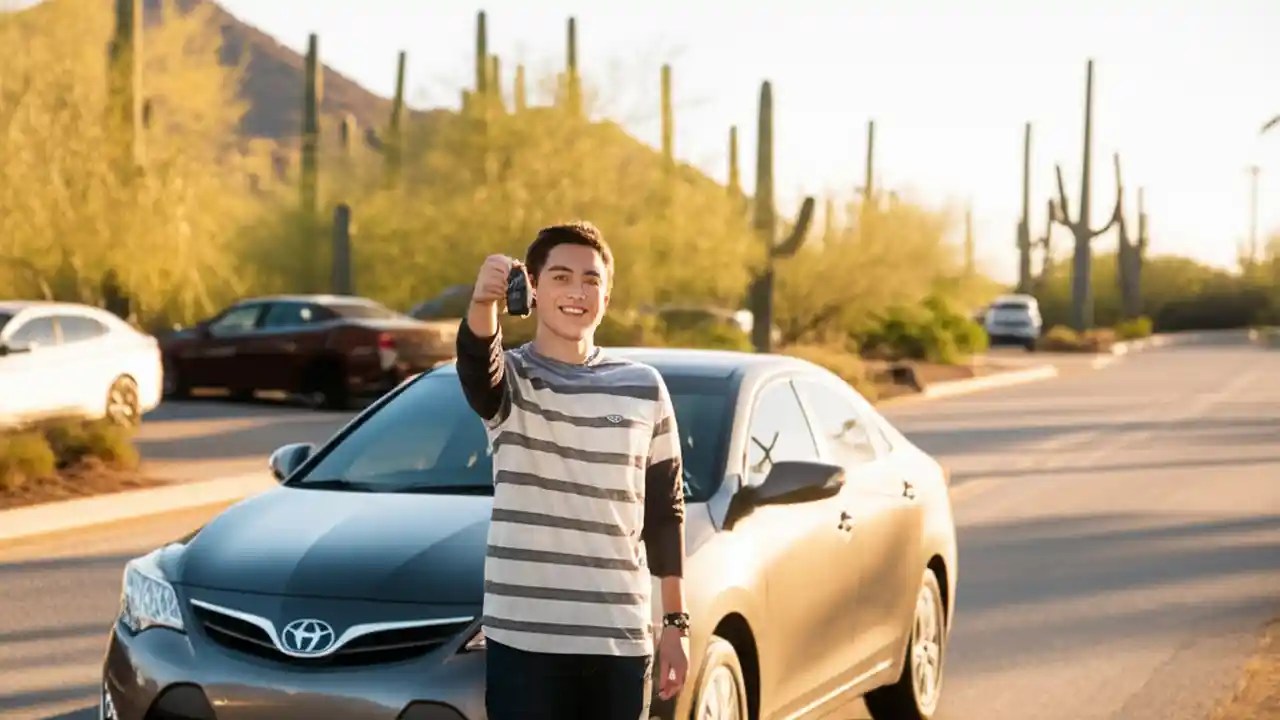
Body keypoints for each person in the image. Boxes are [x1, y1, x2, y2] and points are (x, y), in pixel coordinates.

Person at [453, 221, 690, 720]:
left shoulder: (644, 387)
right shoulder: (511, 381)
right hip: (525, 638)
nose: (577, 291)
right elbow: (478, 366)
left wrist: (676, 624)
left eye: (591, 279)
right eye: (560, 277)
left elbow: (665, 514)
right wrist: (482, 305)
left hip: (619, 638)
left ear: (607, 295)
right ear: (532, 289)